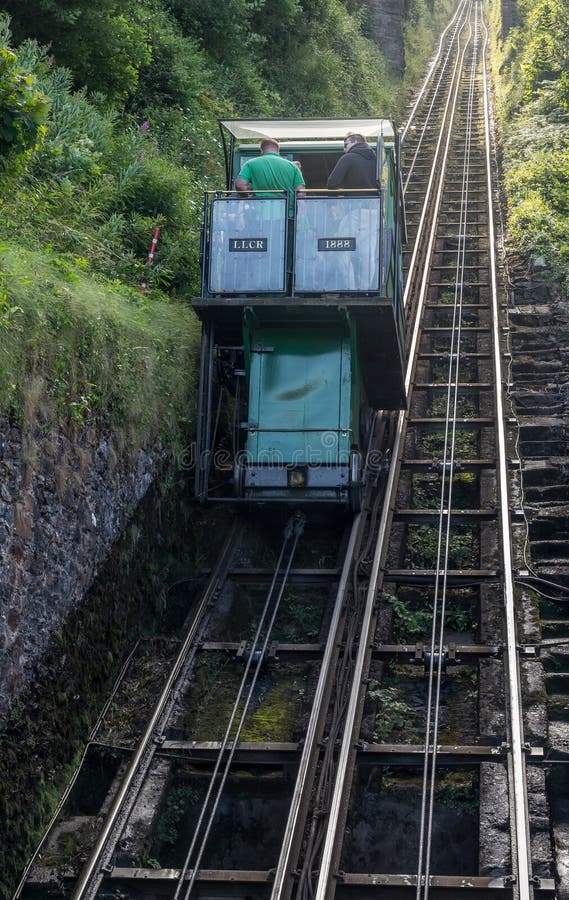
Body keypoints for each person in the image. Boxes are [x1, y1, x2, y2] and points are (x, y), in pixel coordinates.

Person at [235, 138, 305, 217]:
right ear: (278, 150)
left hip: (260, 216)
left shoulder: (250, 164)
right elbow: (300, 192)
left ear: (261, 151)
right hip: (287, 216)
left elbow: (240, 185)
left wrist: (248, 198)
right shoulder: (293, 167)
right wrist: (300, 213)